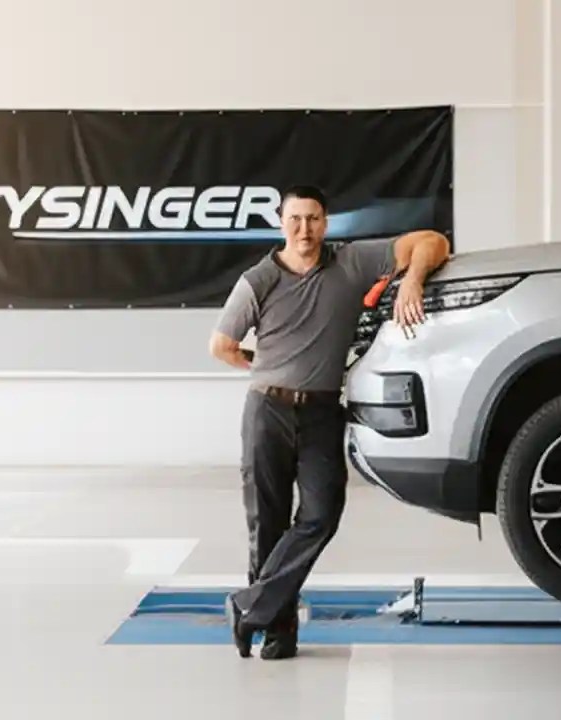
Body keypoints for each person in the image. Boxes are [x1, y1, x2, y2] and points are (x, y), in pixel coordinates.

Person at [208, 184, 450, 659]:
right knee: (268, 525)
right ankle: (277, 634)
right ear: (281, 222)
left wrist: (414, 280)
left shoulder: (353, 262)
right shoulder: (259, 280)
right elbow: (221, 345)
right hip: (267, 411)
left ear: (326, 221)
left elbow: (433, 241)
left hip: (321, 412)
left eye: (314, 218)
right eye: (295, 219)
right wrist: (267, 367)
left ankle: (247, 608)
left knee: (321, 514)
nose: (305, 229)